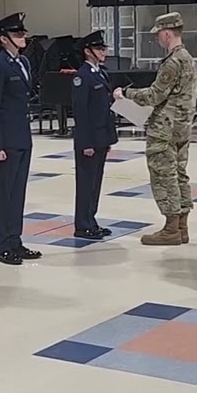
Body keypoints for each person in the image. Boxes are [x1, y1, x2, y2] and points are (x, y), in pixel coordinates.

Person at [115, 12, 197, 246]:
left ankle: (171, 228)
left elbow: (154, 95)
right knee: (180, 174)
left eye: (159, 35)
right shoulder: (189, 59)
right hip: (182, 128)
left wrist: (126, 93)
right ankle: (182, 227)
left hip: (164, 129)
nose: (158, 40)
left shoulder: (172, 62)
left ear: (166, 33)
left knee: (164, 175)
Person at [0, 12, 42, 266]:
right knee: (3, 194)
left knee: (17, 194)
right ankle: (1, 245)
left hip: (22, 137)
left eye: (23, 33)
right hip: (5, 140)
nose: (23, 37)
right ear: (3, 38)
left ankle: (14, 240)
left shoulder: (23, 63)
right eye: (18, 34)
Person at [71, 30, 117, 239]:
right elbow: (81, 112)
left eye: (103, 48)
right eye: (99, 49)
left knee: (95, 182)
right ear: (87, 52)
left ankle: (91, 219)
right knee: (86, 182)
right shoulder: (83, 76)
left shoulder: (100, 72)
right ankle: (82, 224)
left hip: (101, 136)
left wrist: (108, 138)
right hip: (89, 139)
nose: (104, 52)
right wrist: (85, 142)